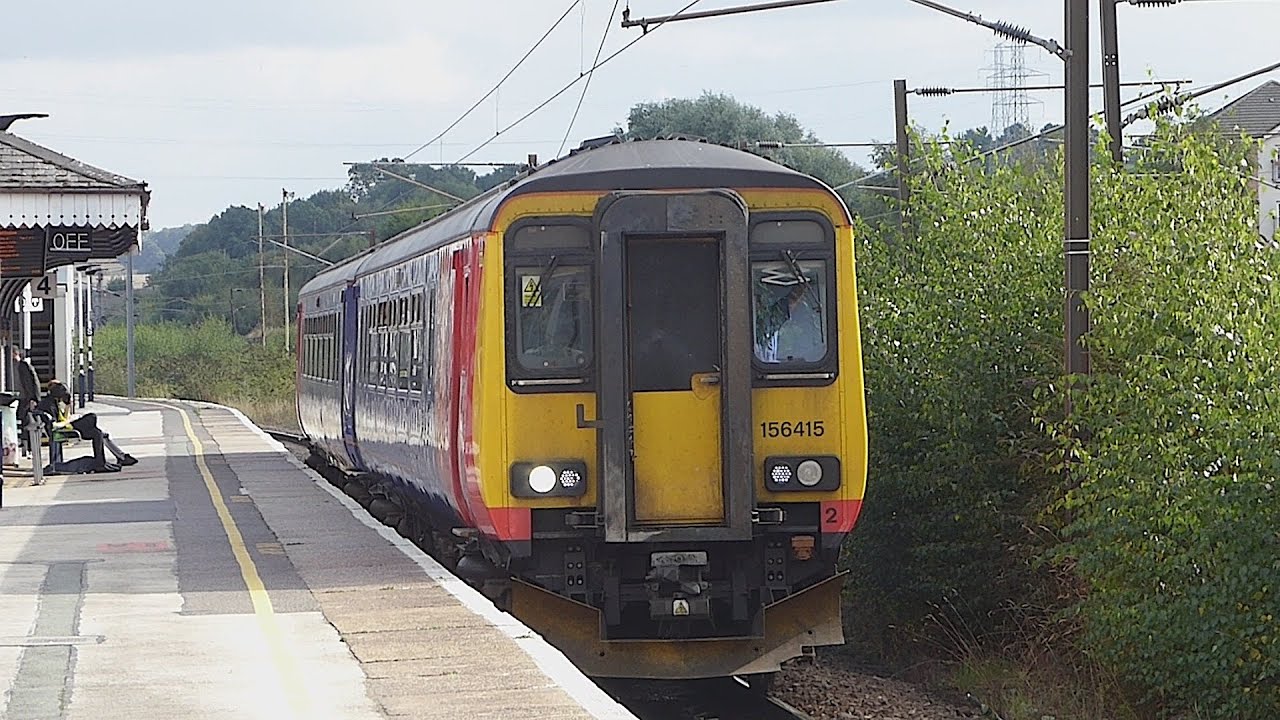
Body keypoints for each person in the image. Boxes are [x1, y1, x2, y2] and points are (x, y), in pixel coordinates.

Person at [36, 380, 136, 473]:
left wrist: (67, 407)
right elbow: (54, 425)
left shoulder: (54, 402)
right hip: (63, 430)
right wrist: (68, 421)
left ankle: (101, 463)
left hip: (67, 427)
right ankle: (105, 462)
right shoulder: (49, 404)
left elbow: (63, 418)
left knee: (97, 433)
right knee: (91, 417)